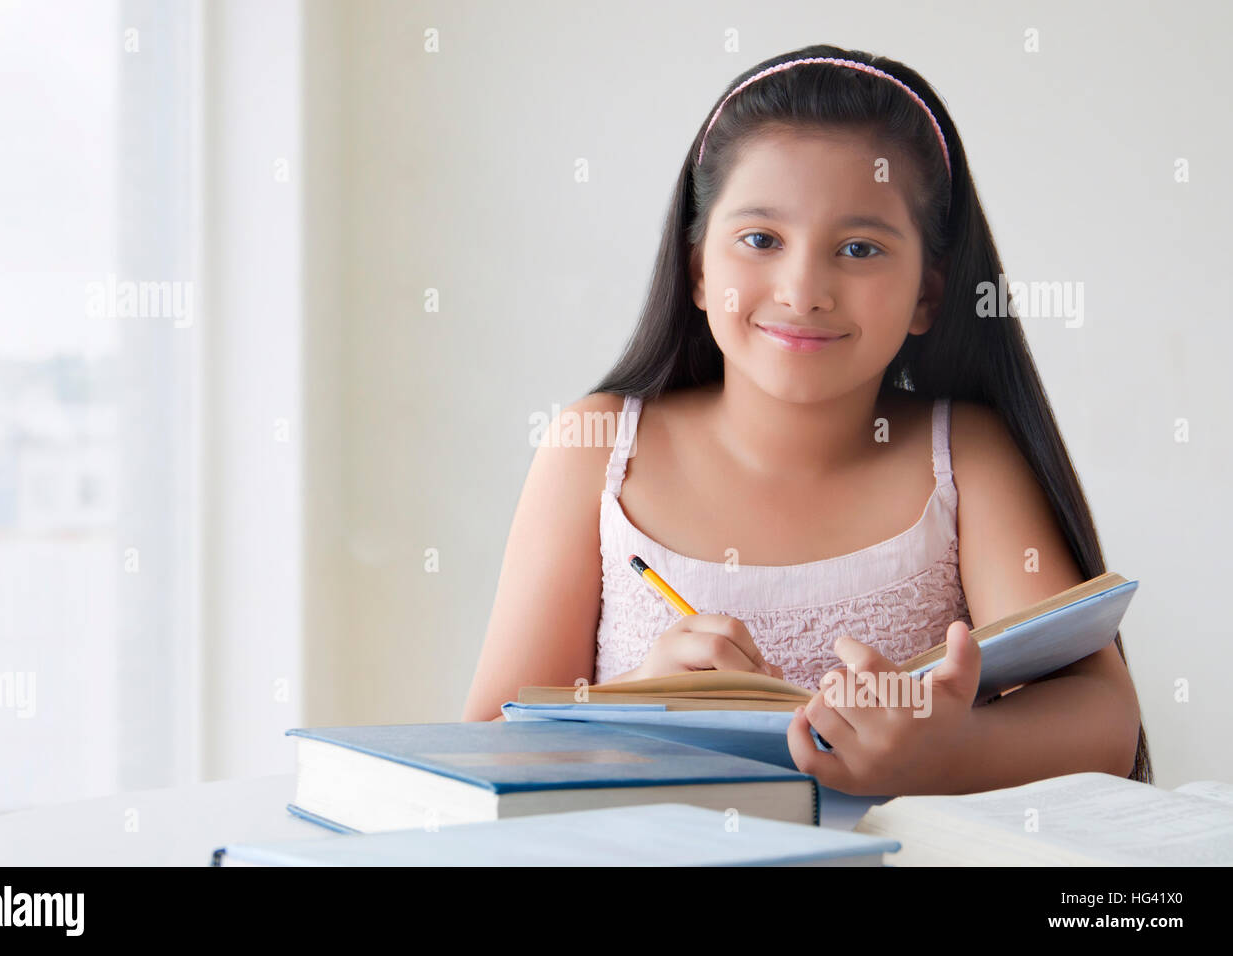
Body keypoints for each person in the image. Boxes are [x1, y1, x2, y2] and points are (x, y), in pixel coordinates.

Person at [461, 44, 1151, 796]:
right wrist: (632, 703)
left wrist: (949, 750)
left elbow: (1104, 719)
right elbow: (485, 746)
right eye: (761, 240)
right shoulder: (595, 450)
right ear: (698, 269)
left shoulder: (964, 457)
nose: (803, 290)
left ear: (927, 294)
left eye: (859, 248)